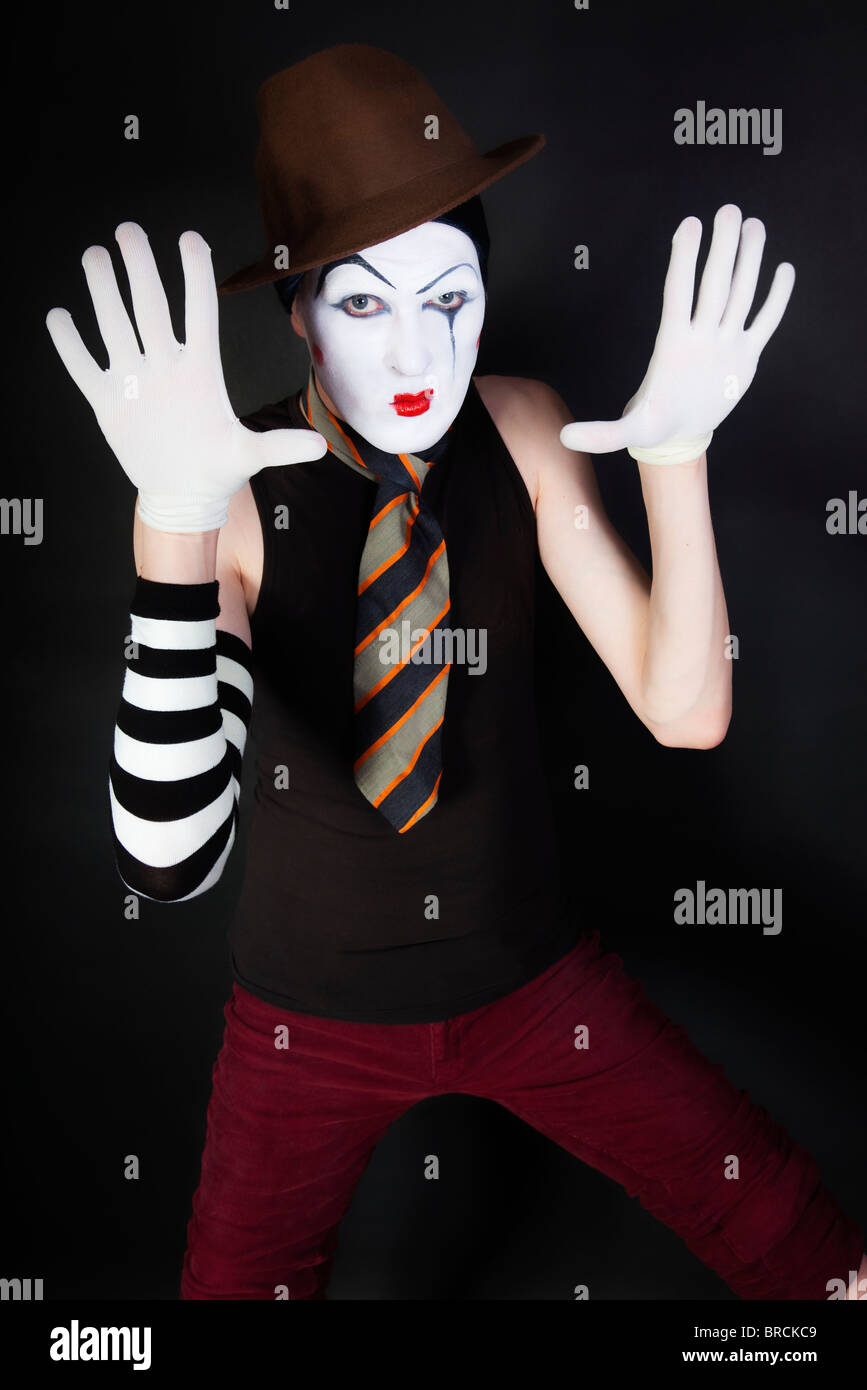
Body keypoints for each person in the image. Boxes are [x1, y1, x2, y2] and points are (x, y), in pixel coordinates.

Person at [46, 43, 865, 1301]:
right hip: (301, 1023)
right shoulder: (223, 489)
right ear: (296, 311)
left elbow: (687, 709)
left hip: (539, 985)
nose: (420, 351)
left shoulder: (523, 425)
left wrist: (679, 455)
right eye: (364, 302)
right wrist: (169, 517)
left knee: (812, 1255)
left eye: (451, 294)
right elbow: (164, 861)